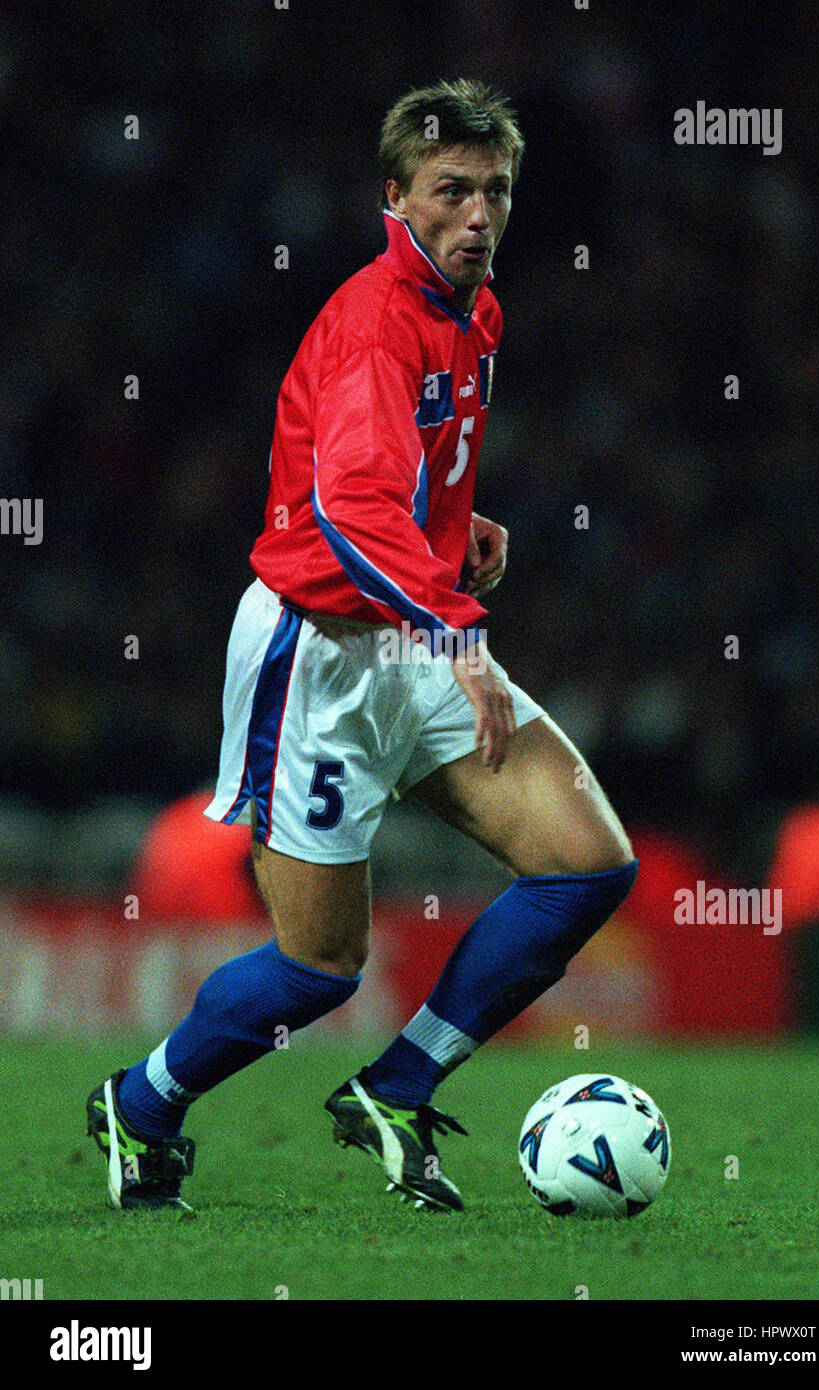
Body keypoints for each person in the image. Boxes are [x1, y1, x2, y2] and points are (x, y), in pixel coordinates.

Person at [87, 77, 637, 1213]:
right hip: (322, 660)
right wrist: (460, 634)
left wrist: (460, 525)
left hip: (414, 637)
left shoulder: (474, 310)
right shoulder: (375, 324)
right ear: (395, 199)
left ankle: (398, 1085)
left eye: (494, 192)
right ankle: (140, 1104)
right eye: (450, 192)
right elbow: (350, 507)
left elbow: (408, 485)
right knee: (319, 966)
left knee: (587, 863)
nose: (477, 215)